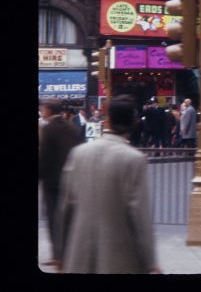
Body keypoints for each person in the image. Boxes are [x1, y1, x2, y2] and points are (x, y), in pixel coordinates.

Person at [54, 95, 161, 274]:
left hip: (78, 256)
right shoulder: (134, 160)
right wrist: (150, 263)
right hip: (119, 260)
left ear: (107, 120)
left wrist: (60, 254)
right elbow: (140, 219)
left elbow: (64, 209)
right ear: (133, 124)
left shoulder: (78, 153)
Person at [39, 99, 81, 266]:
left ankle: (57, 256)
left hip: (51, 182)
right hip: (70, 180)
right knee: (68, 218)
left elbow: (44, 157)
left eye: (43, 108)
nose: (42, 111)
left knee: (52, 219)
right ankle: (69, 252)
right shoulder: (72, 127)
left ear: (49, 110)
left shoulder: (48, 129)